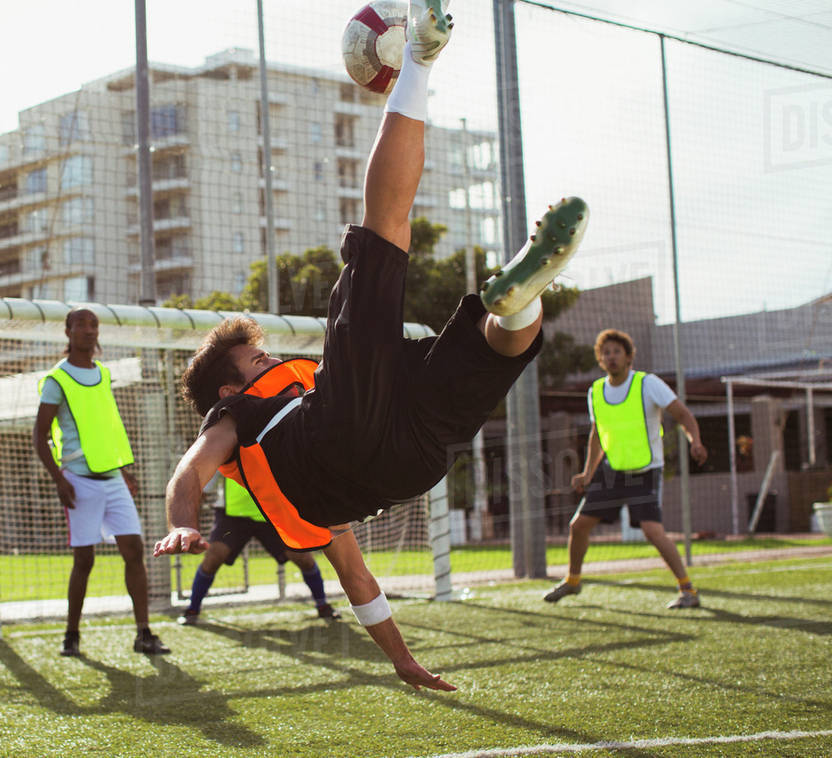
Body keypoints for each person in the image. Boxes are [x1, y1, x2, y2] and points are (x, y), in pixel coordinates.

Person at [154, 0, 589, 691]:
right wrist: (180, 523)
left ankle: (521, 300)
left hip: (407, 465)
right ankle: (418, 57)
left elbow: (356, 577)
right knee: (384, 236)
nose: (269, 361)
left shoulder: (301, 495)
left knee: (487, 348)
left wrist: (402, 659)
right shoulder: (237, 420)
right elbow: (188, 474)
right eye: (256, 361)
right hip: (343, 426)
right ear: (230, 391)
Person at [34, 307, 169, 657]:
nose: (89, 329)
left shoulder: (105, 375)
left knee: (135, 550)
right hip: (79, 482)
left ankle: (144, 634)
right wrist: (59, 479)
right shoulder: (57, 379)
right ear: (68, 331)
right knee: (85, 560)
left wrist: (123, 469)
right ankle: (71, 635)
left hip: (113, 479)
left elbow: (106, 429)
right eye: (81, 324)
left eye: (94, 324)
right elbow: (39, 436)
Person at [544, 329, 708, 608]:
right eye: (605, 352)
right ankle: (572, 581)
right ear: (600, 359)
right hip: (612, 471)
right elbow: (597, 435)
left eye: (616, 352)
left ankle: (687, 590)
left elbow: (681, 413)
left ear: (629, 357)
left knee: (652, 531)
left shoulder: (648, 383)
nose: (611, 357)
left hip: (646, 470)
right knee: (579, 525)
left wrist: (695, 440)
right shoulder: (595, 391)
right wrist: (588, 472)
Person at [177, 475, 340, 625]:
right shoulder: (222, 447)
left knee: (302, 557)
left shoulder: (274, 445)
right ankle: (192, 610)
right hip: (233, 515)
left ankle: (322, 604)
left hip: (271, 512)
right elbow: (204, 489)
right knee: (214, 557)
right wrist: (191, 526)